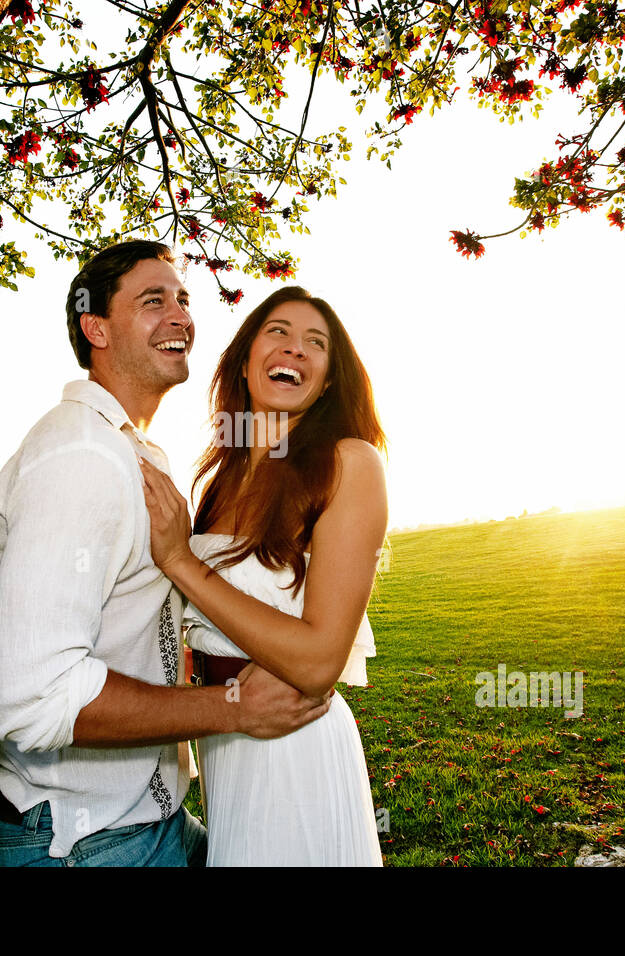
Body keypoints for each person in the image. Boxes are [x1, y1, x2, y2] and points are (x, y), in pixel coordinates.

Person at [0, 241, 331, 867]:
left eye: (183, 299)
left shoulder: (136, 452)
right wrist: (233, 708)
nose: (180, 316)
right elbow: (34, 699)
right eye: (152, 301)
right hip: (85, 844)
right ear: (96, 328)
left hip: (153, 818)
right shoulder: (80, 456)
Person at [139, 285, 388, 866]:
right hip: (225, 738)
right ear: (247, 359)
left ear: (327, 380)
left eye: (315, 343)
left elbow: (319, 661)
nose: (295, 349)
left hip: (293, 744)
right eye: (278, 331)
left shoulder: (350, 464)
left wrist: (182, 562)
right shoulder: (219, 479)